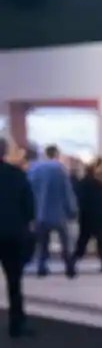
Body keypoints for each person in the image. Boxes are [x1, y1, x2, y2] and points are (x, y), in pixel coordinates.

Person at [0, 138, 36, 337]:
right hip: (12, 234)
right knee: (14, 280)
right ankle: (17, 323)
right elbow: (29, 207)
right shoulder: (16, 175)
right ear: (4, 151)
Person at [27, 145, 77, 277]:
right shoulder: (60, 169)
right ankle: (69, 266)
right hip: (58, 213)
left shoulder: (35, 170)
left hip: (40, 212)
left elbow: (29, 192)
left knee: (42, 242)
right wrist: (72, 209)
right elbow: (67, 191)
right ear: (55, 154)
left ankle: (41, 266)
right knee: (65, 241)